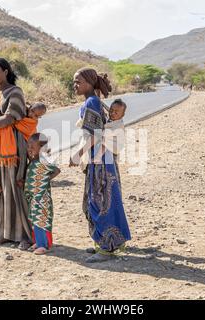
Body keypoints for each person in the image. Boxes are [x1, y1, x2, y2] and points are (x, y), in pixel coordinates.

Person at [70, 67, 131, 263]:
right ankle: (103, 242)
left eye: (78, 82)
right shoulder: (93, 100)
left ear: (89, 82)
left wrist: (78, 154)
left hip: (101, 161)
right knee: (100, 201)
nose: (75, 85)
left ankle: (107, 248)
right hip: (100, 160)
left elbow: (97, 135)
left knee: (101, 203)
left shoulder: (92, 102)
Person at [0, 57, 34, 250]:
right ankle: (5, 233)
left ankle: (26, 235)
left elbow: (10, 118)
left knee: (17, 186)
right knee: (2, 187)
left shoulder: (15, 92)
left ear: (6, 72)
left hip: (14, 147)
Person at [24, 133, 61, 255]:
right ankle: (38, 242)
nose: (29, 149)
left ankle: (44, 245)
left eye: (32, 147)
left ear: (42, 148)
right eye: (28, 146)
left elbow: (56, 170)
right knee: (35, 220)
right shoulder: (34, 160)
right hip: (34, 198)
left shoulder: (44, 160)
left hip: (42, 198)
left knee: (41, 220)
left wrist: (45, 179)